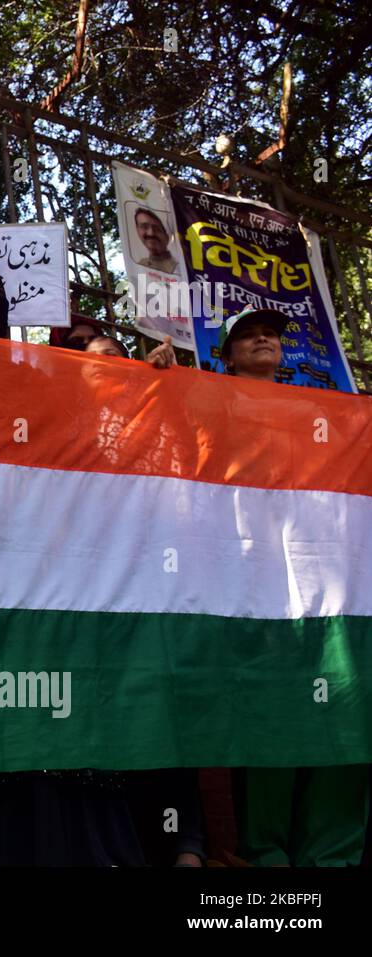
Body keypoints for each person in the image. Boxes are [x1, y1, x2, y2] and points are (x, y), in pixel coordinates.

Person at [219, 307, 369, 866]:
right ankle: (268, 858)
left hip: (330, 582)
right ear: (227, 353)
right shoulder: (200, 401)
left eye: (273, 335)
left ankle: (333, 854)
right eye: (249, 335)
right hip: (247, 584)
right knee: (270, 710)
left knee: (345, 699)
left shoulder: (322, 413)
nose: (264, 339)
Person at [133, 207, 179, 275]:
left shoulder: (179, 267)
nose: (151, 233)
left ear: (167, 236)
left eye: (157, 229)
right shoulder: (139, 266)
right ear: (137, 230)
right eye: (144, 227)